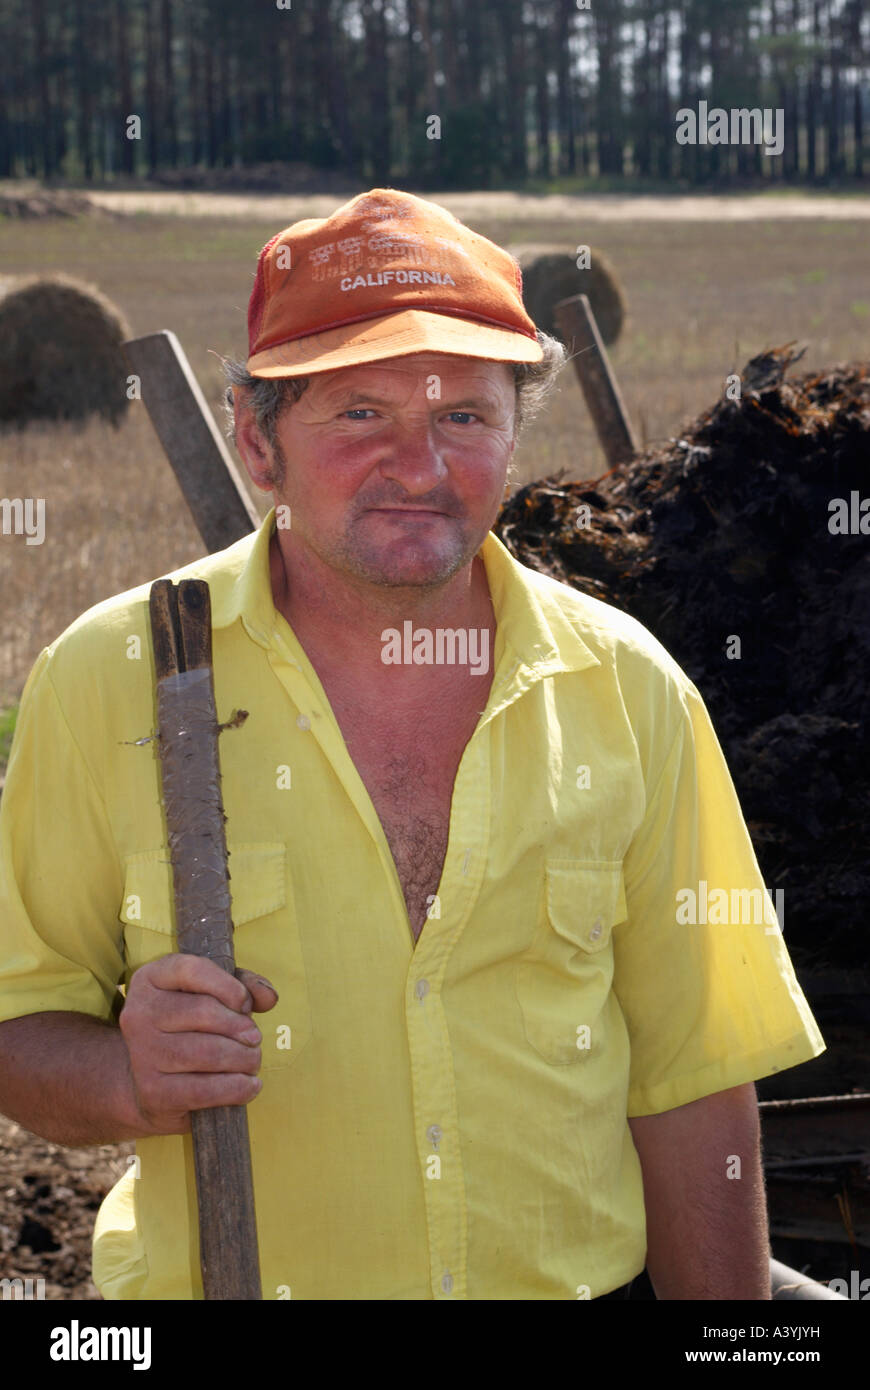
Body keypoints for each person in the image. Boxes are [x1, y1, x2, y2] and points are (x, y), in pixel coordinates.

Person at [0, 188, 824, 1301]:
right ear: (257, 436)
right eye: (359, 415)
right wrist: (125, 1078)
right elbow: (18, 1027)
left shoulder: (627, 689)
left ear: (512, 431)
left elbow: (693, 1082)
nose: (421, 466)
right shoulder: (113, 682)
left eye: (464, 418)